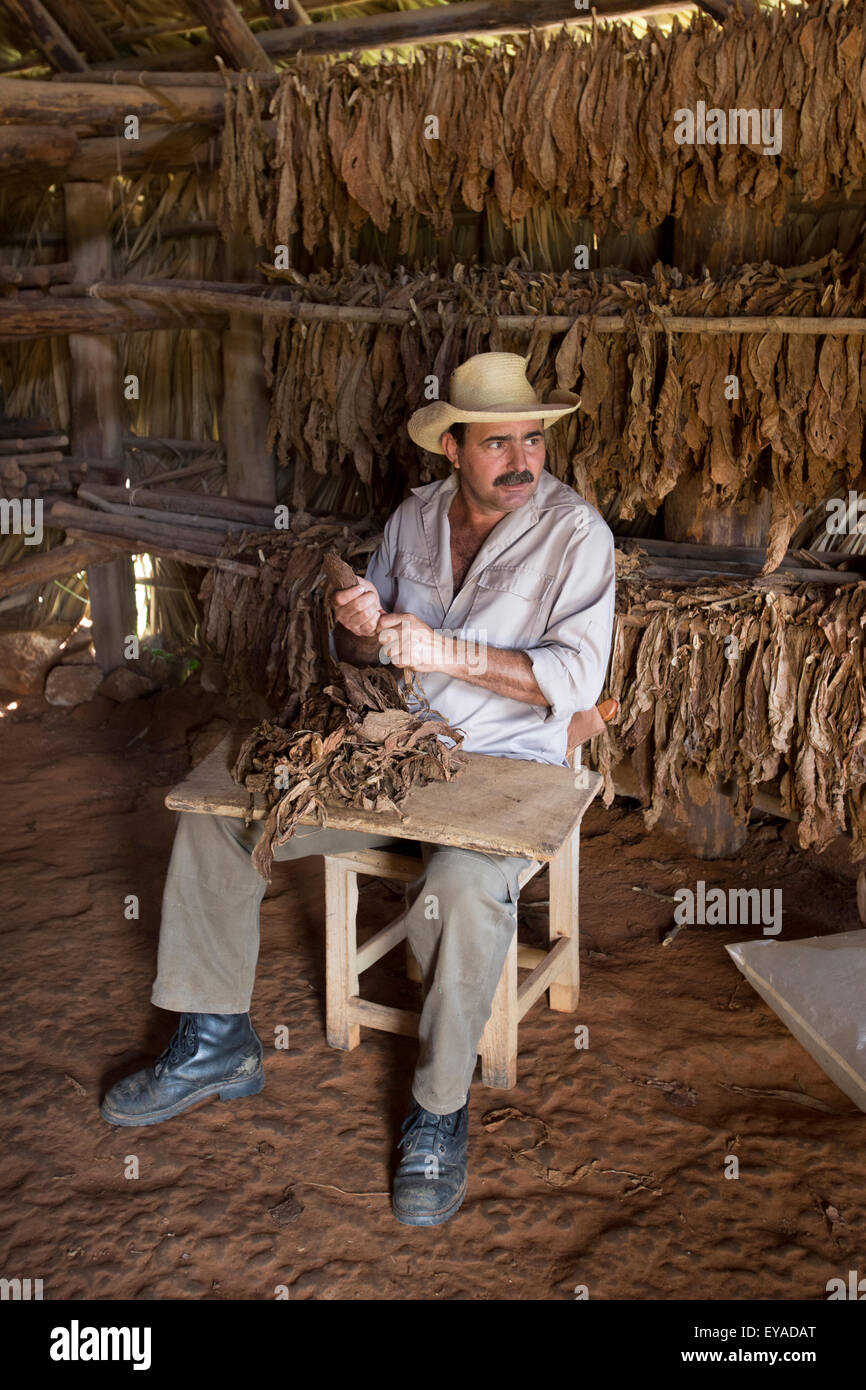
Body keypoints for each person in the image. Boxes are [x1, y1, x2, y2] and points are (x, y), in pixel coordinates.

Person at [101, 351, 616, 1228]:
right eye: (499, 445)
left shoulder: (577, 536)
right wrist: (359, 627)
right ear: (451, 448)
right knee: (222, 815)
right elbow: (373, 649)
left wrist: (447, 653)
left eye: (533, 439)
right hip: (394, 752)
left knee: (460, 884)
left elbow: (572, 680)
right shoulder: (415, 518)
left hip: (507, 771)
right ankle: (215, 1038)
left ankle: (440, 1112)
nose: (524, 460)